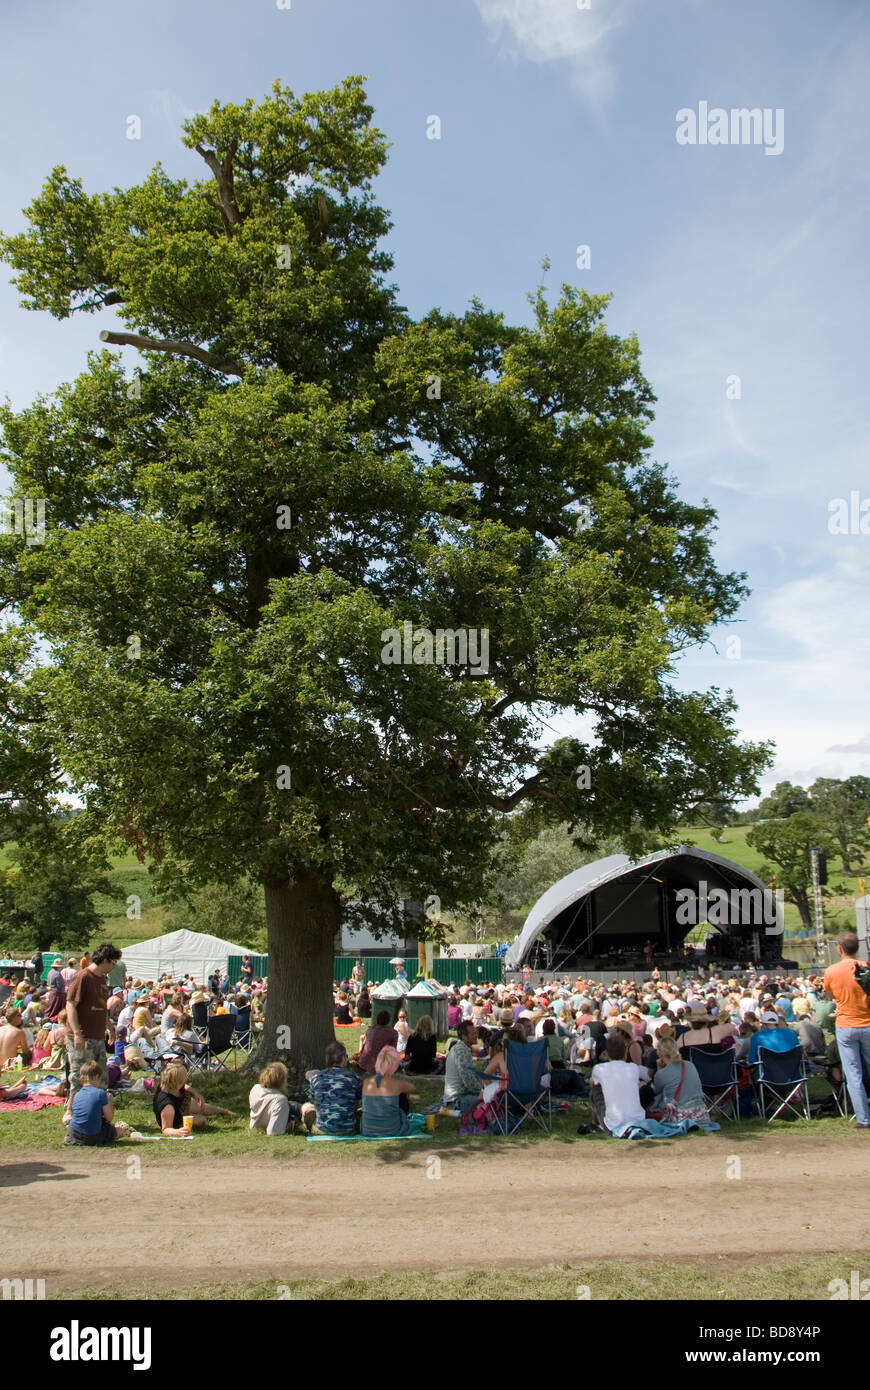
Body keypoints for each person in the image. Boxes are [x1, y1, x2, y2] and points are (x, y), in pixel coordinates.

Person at [64, 943, 122, 1109]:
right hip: (82, 1035)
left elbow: (101, 1006)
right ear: (105, 960)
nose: (113, 966)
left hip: (97, 1035)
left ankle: (97, 1110)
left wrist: (109, 1027)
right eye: (113, 962)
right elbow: (70, 1005)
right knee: (79, 1076)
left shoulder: (103, 979)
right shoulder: (83, 977)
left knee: (100, 1076)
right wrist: (76, 1033)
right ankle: (71, 1111)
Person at [823, 932, 870, 1129]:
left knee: (853, 1074)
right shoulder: (866, 968)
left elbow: (829, 994)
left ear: (840, 948)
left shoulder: (832, 971)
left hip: (846, 1024)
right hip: (868, 1022)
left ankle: (864, 1119)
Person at [584, 1032, 647, 1135]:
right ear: (626, 1052)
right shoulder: (633, 1068)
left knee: (595, 1089)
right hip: (638, 1120)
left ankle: (594, 1121)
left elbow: (592, 1083)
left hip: (613, 1124)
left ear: (607, 1053)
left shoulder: (600, 1069)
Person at [152, 1061, 236, 1136]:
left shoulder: (172, 1084)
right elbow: (165, 1129)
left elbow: (185, 1086)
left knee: (200, 1106)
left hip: (180, 1104)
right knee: (202, 1120)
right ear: (178, 1081)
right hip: (176, 1120)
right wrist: (177, 1132)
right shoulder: (167, 1106)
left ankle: (223, 1111)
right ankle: (202, 1115)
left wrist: (195, 1093)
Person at [651, 1038, 716, 1129]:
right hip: (701, 1116)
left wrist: (659, 1069)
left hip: (681, 1117)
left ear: (659, 1054)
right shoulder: (690, 1065)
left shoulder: (661, 1074)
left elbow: (655, 1091)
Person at [301, 1041, 362, 1135]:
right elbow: (357, 1103)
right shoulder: (354, 1078)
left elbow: (314, 1102)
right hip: (349, 1129)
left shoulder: (316, 1078)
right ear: (342, 1058)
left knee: (306, 1107)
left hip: (321, 1130)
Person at [63, 1060, 129, 1146]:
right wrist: (110, 1102)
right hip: (93, 1136)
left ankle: (70, 1137)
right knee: (119, 1131)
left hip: (74, 1134)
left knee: (68, 1117)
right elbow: (109, 1118)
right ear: (96, 1077)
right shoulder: (101, 1093)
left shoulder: (77, 1094)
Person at [361, 1046, 417, 1137]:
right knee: (402, 1097)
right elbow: (413, 1089)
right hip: (392, 1131)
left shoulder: (366, 1083)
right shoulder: (397, 1085)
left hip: (368, 1130)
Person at [443, 1020, 488, 1116]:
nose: (476, 1035)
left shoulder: (463, 1048)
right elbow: (469, 1081)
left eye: (476, 1032)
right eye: (473, 1033)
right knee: (490, 1100)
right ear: (464, 1036)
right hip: (456, 1101)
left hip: (461, 1096)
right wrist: (485, 1091)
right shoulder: (461, 1051)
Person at [249, 1062, 303, 1135]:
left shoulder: (255, 1088)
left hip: (256, 1124)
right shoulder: (280, 1100)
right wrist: (291, 1125)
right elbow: (274, 1131)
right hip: (268, 1123)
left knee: (292, 1105)